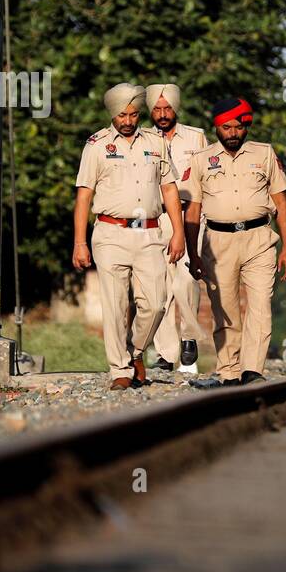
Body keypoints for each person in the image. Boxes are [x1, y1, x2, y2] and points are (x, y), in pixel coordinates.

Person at [72, 82, 186, 389]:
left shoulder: (155, 141)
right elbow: (84, 195)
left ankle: (135, 351)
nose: (128, 121)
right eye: (122, 115)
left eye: (133, 115)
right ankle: (119, 369)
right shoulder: (96, 145)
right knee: (115, 304)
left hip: (150, 233)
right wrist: (79, 242)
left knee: (157, 302)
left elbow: (169, 189)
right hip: (110, 233)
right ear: (113, 114)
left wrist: (178, 234)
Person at [183, 97, 286, 388]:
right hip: (218, 241)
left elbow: (281, 201)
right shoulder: (200, 159)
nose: (233, 133)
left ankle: (252, 369)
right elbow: (193, 209)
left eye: (238, 127)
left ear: (246, 127)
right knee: (225, 308)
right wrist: (192, 254)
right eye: (226, 127)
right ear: (217, 127)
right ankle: (229, 369)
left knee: (260, 305)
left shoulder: (265, 154)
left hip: (260, 239)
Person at [147, 83, 208, 373]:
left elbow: (207, 176)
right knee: (159, 286)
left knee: (185, 278)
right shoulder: (144, 138)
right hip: (155, 216)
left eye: (167, 108)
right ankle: (165, 354)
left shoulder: (195, 138)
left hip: (189, 214)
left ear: (176, 108)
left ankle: (188, 337)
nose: (162, 114)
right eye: (157, 109)